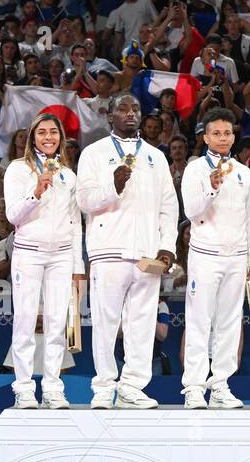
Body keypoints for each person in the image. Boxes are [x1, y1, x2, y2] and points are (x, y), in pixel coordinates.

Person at [76, 94, 179, 409]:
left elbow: (168, 206)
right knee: (106, 323)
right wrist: (113, 187)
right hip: (108, 249)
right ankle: (105, 388)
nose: (131, 113)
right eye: (123, 108)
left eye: (135, 108)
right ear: (110, 115)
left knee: (143, 324)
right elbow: (84, 201)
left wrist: (167, 246)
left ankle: (132, 386)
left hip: (147, 254)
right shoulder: (94, 153)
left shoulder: (155, 157)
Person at [180, 108, 250, 409]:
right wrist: (211, 189)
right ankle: (193, 387)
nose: (223, 138)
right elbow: (191, 211)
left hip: (237, 256)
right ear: (205, 137)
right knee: (199, 321)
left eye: (227, 133)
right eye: (216, 133)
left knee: (230, 323)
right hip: (205, 256)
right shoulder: (195, 169)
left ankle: (220, 386)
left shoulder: (242, 172)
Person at [5, 113, 84, 409]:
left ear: (61, 138)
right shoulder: (17, 170)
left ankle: (53, 388)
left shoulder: (68, 175)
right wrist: (36, 192)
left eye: (54, 132)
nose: (48, 137)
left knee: (55, 322)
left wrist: (78, 268)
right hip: (28, 251)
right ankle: (24, 388)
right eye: (42, 133)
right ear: (33, 137)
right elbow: (13, 215)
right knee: (25, 320)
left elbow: (75, 224)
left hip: (61, 255)